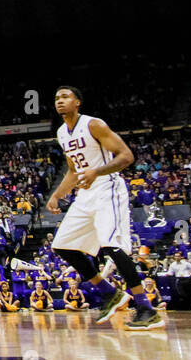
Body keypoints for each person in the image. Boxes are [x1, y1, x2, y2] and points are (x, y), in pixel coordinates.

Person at [45, 86, 163, 330]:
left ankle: (146, 308)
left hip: (107, 187)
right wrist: (57, 195)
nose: (60, 101)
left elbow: (126, 156)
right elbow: (72, 170)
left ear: (77, 102)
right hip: (85, 193)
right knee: (62, 245)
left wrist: (96, 171)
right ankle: (109, 292)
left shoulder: (93, 125)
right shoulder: (61, 133)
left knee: (112, 246)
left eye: (65, 97)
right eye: (57, 98)